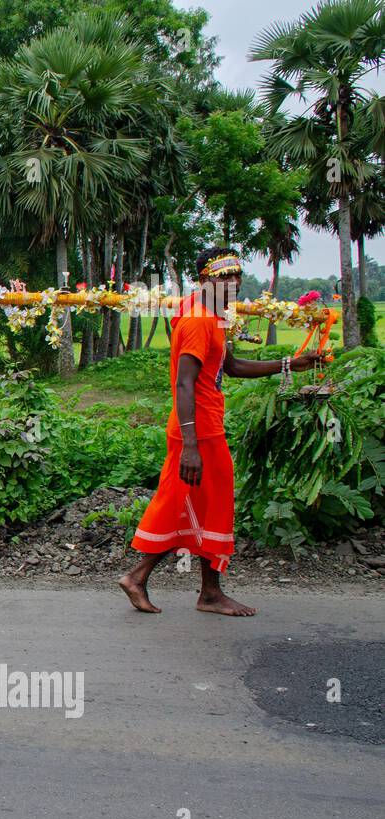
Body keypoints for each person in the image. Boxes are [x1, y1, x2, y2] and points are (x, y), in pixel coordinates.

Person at [119, 247, 327, 616]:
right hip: (196, 430)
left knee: (197, 505)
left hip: (203, 427)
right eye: (222, 277)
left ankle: (185, 586)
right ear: (204, 280)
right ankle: (161, 582)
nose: (231, 284)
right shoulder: (198, 320)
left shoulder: (210, 316)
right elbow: (184, 385)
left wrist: (288, 365)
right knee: (196, 504)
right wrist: (191, 446)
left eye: (236, 277)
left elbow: (229, 366)